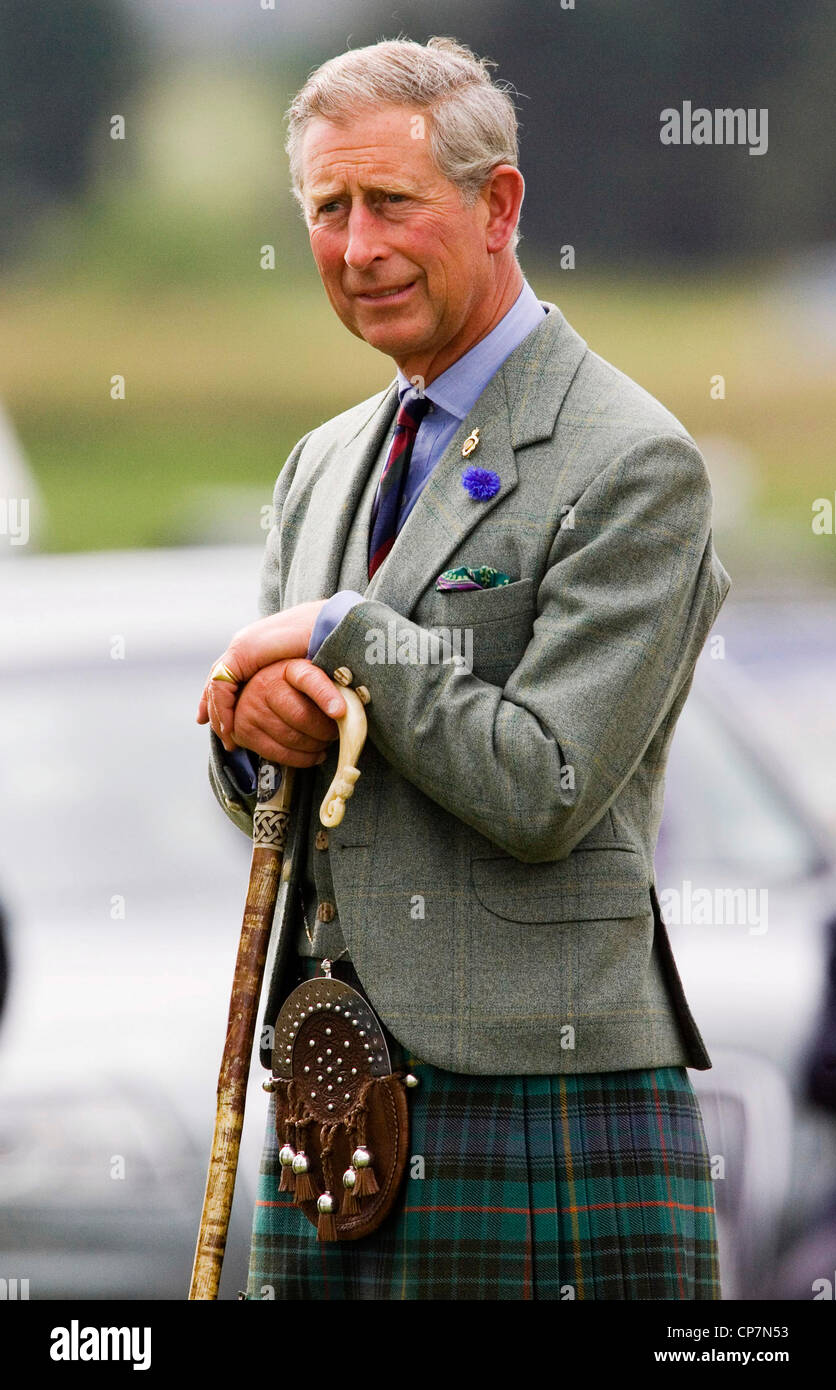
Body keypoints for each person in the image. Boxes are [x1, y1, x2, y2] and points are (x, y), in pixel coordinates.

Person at [197, 35, 730, 1300]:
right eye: (327, 209)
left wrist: (345, 635)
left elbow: (545, 787)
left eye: (391, 202)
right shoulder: (321, 461)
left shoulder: (630, 462)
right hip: (328, 1100)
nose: (357, 245)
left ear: (497, 205)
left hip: (542, 1098)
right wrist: (245, 733)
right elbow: (280, 793)